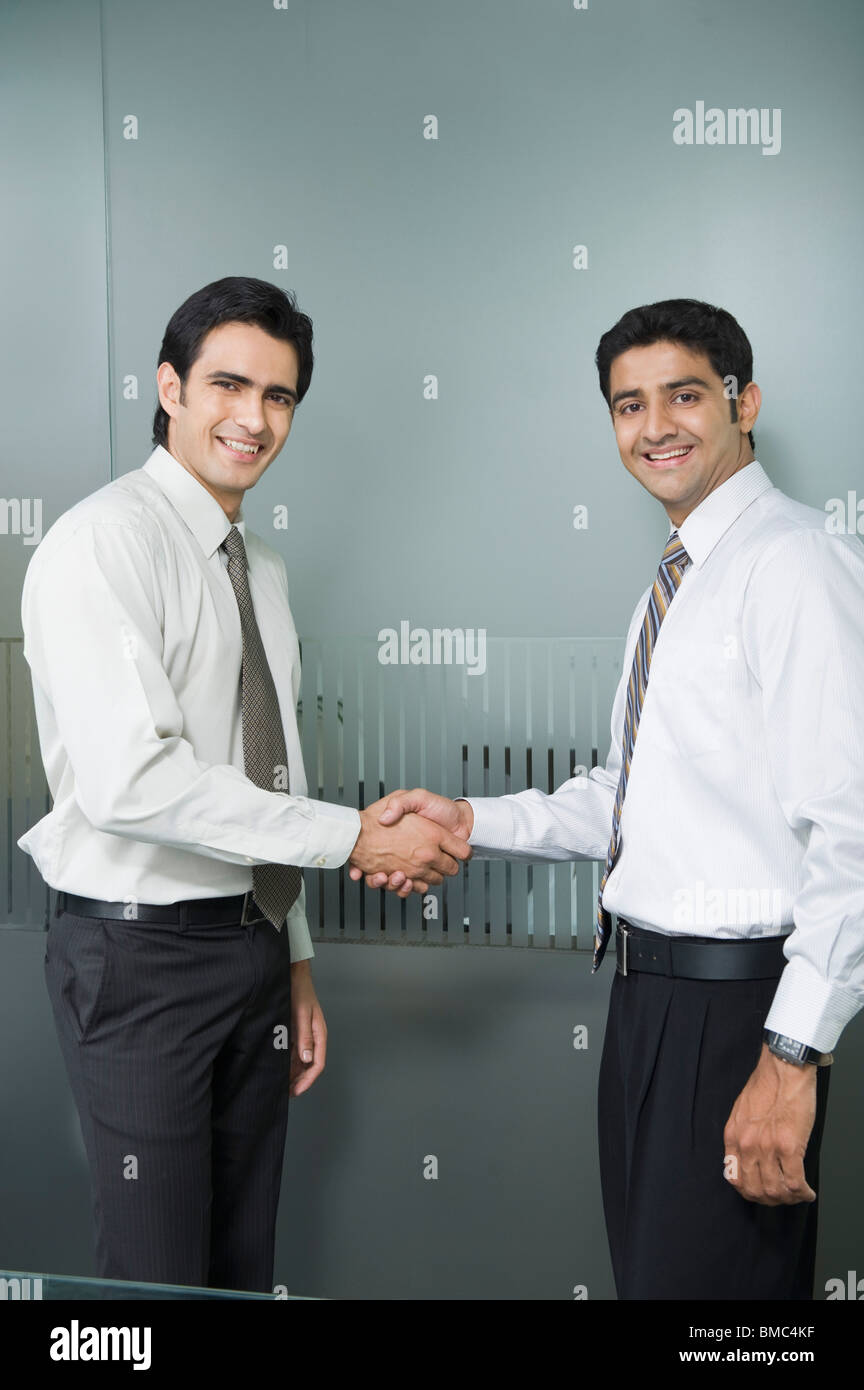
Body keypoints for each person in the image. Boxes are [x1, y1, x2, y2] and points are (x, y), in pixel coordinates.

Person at [354, 298, 864, 1300]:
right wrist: (473, 823)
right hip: (650, 1003)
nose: (655, 425)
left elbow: (854, 831)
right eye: (629, 405)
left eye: (683, 395)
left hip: (739, 1009)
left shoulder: (793, 564)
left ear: (743, 401)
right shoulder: (675, 583)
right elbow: (633, 799)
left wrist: (792, 1050)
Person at [17, 275, 470, 1294]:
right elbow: (136, 783)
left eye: (279, 396)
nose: (254, 417)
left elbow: (269, 764)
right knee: (158, 1270)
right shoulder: (102, 544)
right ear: (169, 387)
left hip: (250, 951)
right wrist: (357, 837)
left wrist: (295, 954)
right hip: (137, 961)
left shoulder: (256, 564)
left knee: (236, 1268)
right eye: (229, 384)